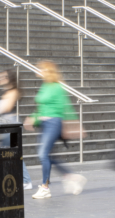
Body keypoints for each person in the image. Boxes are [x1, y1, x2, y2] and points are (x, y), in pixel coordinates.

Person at [29, 61, 86, 199]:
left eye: (41, 69)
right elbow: (42, 107)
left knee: (43, 154)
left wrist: (73, 125)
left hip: (53, 124)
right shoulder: (45, 85)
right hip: (43, 124)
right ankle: (72, 177)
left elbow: (64, 107)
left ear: (48, 71)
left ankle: (45, 187)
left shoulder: (57, 86)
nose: (38, 71)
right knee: (48, 156)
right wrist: (34, 118)